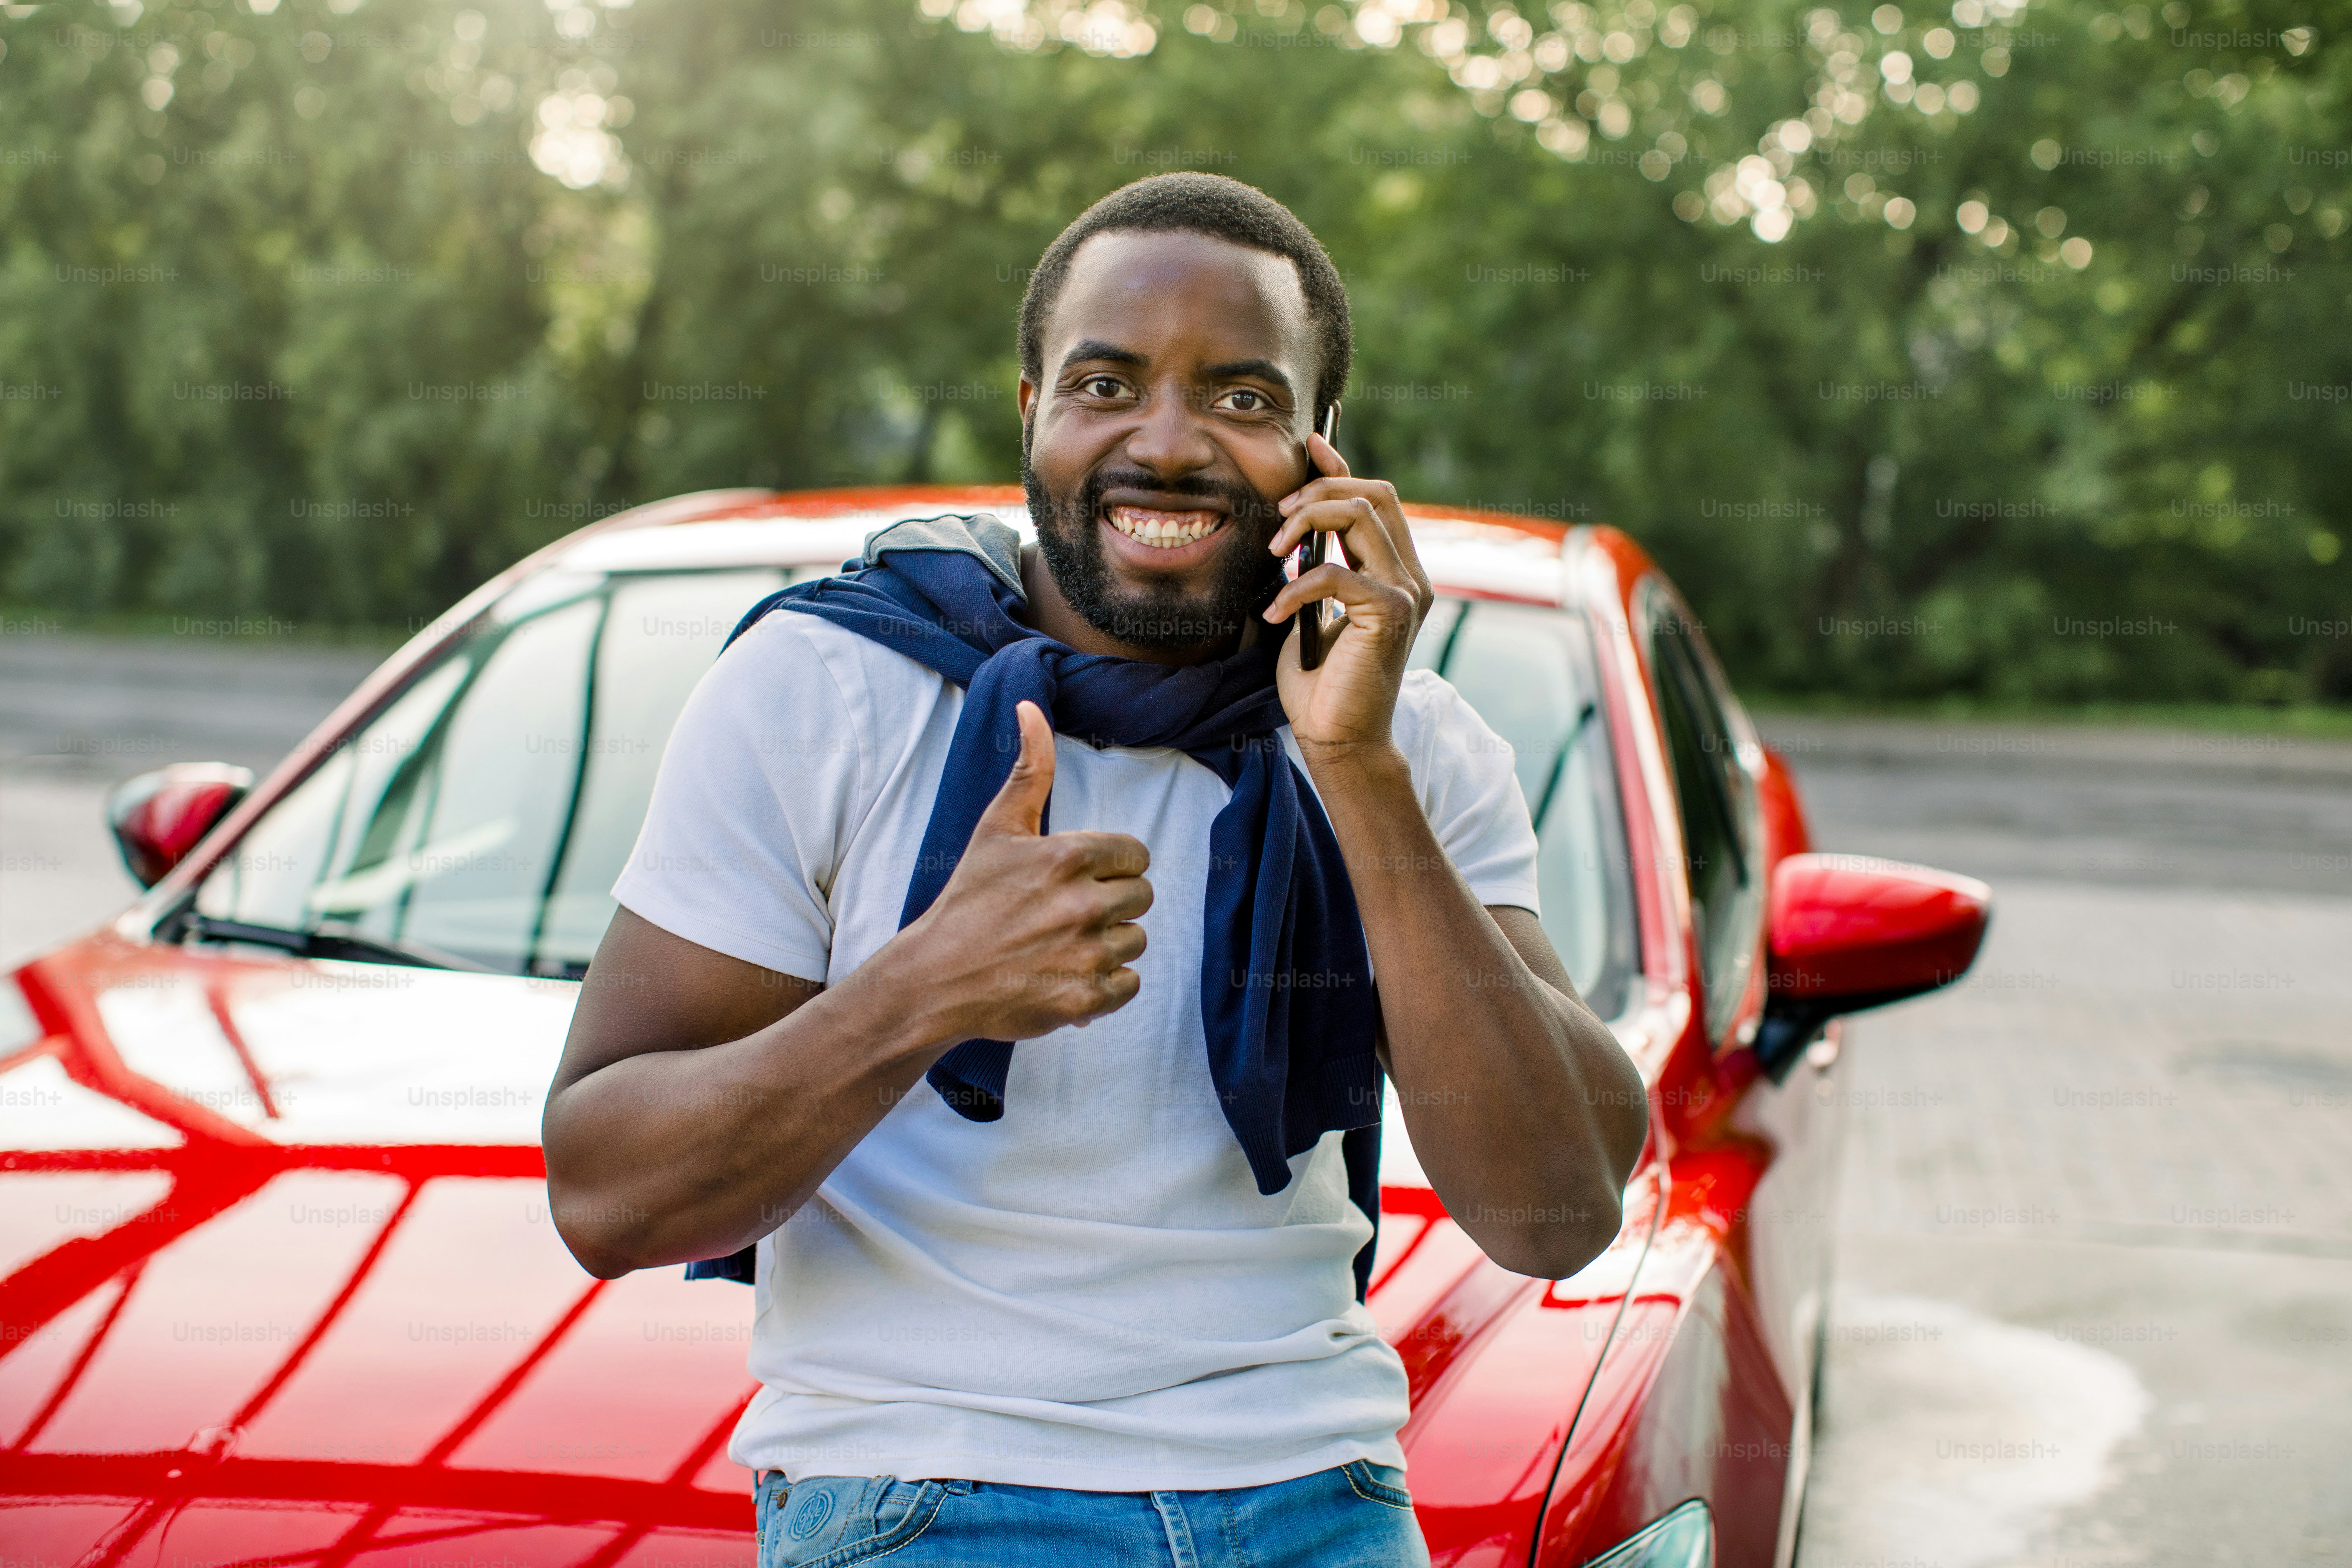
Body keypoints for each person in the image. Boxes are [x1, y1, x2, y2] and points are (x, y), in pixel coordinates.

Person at [540, 172, 1649, 1568]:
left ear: (1325, 447)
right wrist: (920, 990)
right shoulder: (823, 688)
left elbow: (1553, 1209)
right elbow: (604, 1197)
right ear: (1031, 413)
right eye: (1106, 382)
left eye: (1243, 399)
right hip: (926, 1486)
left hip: (1318, 1490)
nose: (1167, 444)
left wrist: (1358, 773)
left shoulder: (1407, 734)